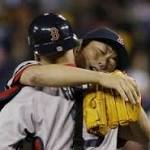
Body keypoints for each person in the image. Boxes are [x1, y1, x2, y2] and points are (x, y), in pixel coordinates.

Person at [0, 13, 144, 150]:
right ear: (79, 47)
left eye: (113, 59)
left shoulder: (109, 94)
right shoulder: (34, 88)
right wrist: (104, 78)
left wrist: (132, 101)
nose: (103, 62)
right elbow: (34, 75)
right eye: (100, 51)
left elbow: (145, 138)